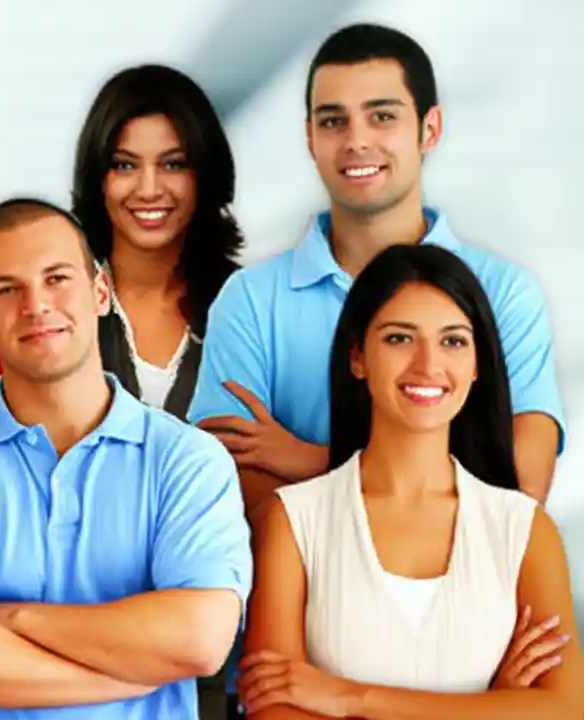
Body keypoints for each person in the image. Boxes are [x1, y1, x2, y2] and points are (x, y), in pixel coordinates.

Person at [188, 22, 565, 523]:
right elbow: (247, 506)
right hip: (303, 600)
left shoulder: (506, 295)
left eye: (381, 116)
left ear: (430, 129)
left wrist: (310, 460)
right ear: (309, 138)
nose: (356, 141)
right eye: (332, 121)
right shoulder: (250, 302)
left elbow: (517, 492)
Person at [0, 198, 251, 719]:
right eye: (6, 289)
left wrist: (15, 618)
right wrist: (125, 678)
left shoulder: (188, 461)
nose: (35, 305)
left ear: (100, 291)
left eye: (56, 278)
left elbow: (199, 638)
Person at [239, 244, 583, 718]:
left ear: (478, 363)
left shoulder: (524, 530)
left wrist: (350, 698)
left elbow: (564, 709)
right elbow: (273, 708)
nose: (428, 365)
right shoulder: (293, 521)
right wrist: (491, 708)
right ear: (357, 357)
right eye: (400, 339)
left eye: (454, 341)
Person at [71, 63, 243, 418]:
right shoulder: (62, 305)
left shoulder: (248, 305)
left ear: (205, 174)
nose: (149, 190)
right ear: (97, 177)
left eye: (173, 164)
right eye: (124, 165)